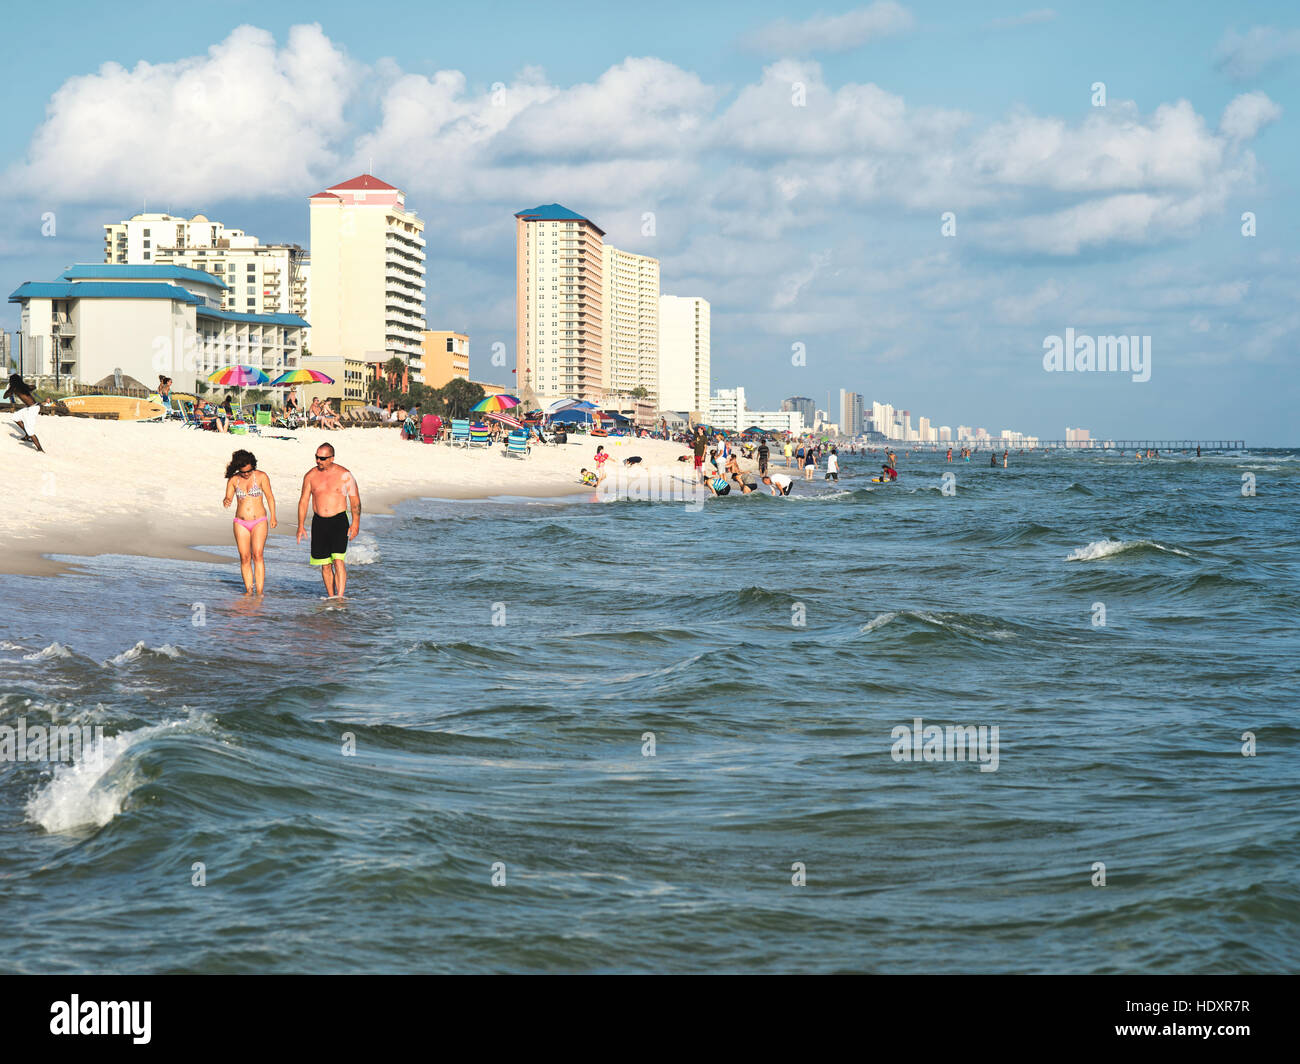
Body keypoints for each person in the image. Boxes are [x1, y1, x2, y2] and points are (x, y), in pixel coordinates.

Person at [297, 443, 361, 598]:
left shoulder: (345, 475)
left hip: (339, 521)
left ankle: (340, 596)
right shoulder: (310, 475)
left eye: (323, 458)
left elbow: (355, 501)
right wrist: (300, 525)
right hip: (319, 522)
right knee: (325, 564)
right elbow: (304, 500)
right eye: (317, 457)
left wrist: (355, 524)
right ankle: (331, 596)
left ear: (332, 458)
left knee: (338, 561)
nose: (319, 461)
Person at [222, 449, 277, 594]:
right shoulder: (234, 480)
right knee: (244, 557)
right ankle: (248, 590)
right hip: (240, 522)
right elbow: (227, 498)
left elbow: (270, 497)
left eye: (249, 471)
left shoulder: (261, 477)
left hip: (259, 520)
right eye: (243, 472)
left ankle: (259, 592)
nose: (246, 474)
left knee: (257, 554)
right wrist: (226, 501)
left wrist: (274, 517)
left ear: (253, 466)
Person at [5, 374, 45, 452]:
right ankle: (27, 435)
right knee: (15, 417)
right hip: (31, 407)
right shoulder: (22, 386)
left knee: (30, 431)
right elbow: (34, 387)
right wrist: (27, 387)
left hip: (32, 409)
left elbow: (5, 396)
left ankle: (40, 449)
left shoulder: (14, 388)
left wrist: (10, 389)